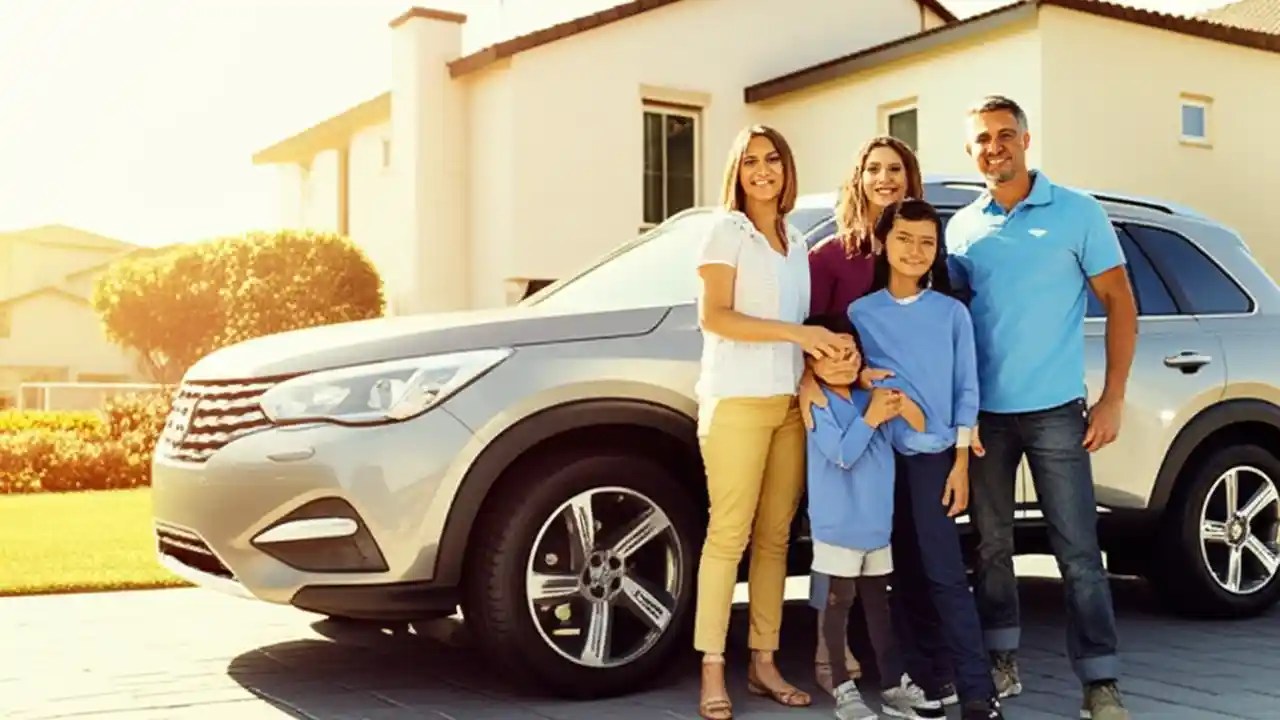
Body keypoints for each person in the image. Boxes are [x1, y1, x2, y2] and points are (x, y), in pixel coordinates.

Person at [945, 95, 1138, 720]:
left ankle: (1100, 684)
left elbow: (1120, 302)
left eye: (1005, 135)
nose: (994, 146)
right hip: (986, 419)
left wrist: (1112, 398)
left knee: (1079, 551)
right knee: (992, 546)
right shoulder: (961, 228)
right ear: (970, 151)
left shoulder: (1077, 212)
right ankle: (1001, 658)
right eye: (982, 139)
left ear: (1027, 141)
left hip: (1058, 411)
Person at [693, 124, 854, 720]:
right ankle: (712, 669)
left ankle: (763, 663)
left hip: (790, 406)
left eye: (774, 160)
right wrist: (798, 333)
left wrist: (817, 367)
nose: (763, 170)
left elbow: (803, 330)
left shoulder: (794, 241)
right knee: (727, 536)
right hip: (736, 403)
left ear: (787, 170)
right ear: (737, 172)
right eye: (751, 161)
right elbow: (716, 317)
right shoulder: (726, 231)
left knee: (775, 540)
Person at [850, 198, 1004, 720]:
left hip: (936, 460)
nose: (915, 251)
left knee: (944, 573)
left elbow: (967, 389)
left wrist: (961, 462)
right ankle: (929, 678)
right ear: (883, 243)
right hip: (880, 460)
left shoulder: (951, 313)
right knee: (903, 573)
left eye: (927, 242)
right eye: (904, 239)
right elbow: (847, 376)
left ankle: (978, 692)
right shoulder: (860, 313)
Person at [803, 312, 938, 720]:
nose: (844, 360)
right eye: (831, 353)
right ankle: (842, 687)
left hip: (877, 525)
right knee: (837, 601)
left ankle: (893, 685)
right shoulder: (817, 403)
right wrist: (872, 416)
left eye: (851, 352)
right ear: (810, 361)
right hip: (837, 525)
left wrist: (894, 396)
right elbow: (842, 454)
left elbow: (917, 428)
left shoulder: (870, 398)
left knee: (879, 605)